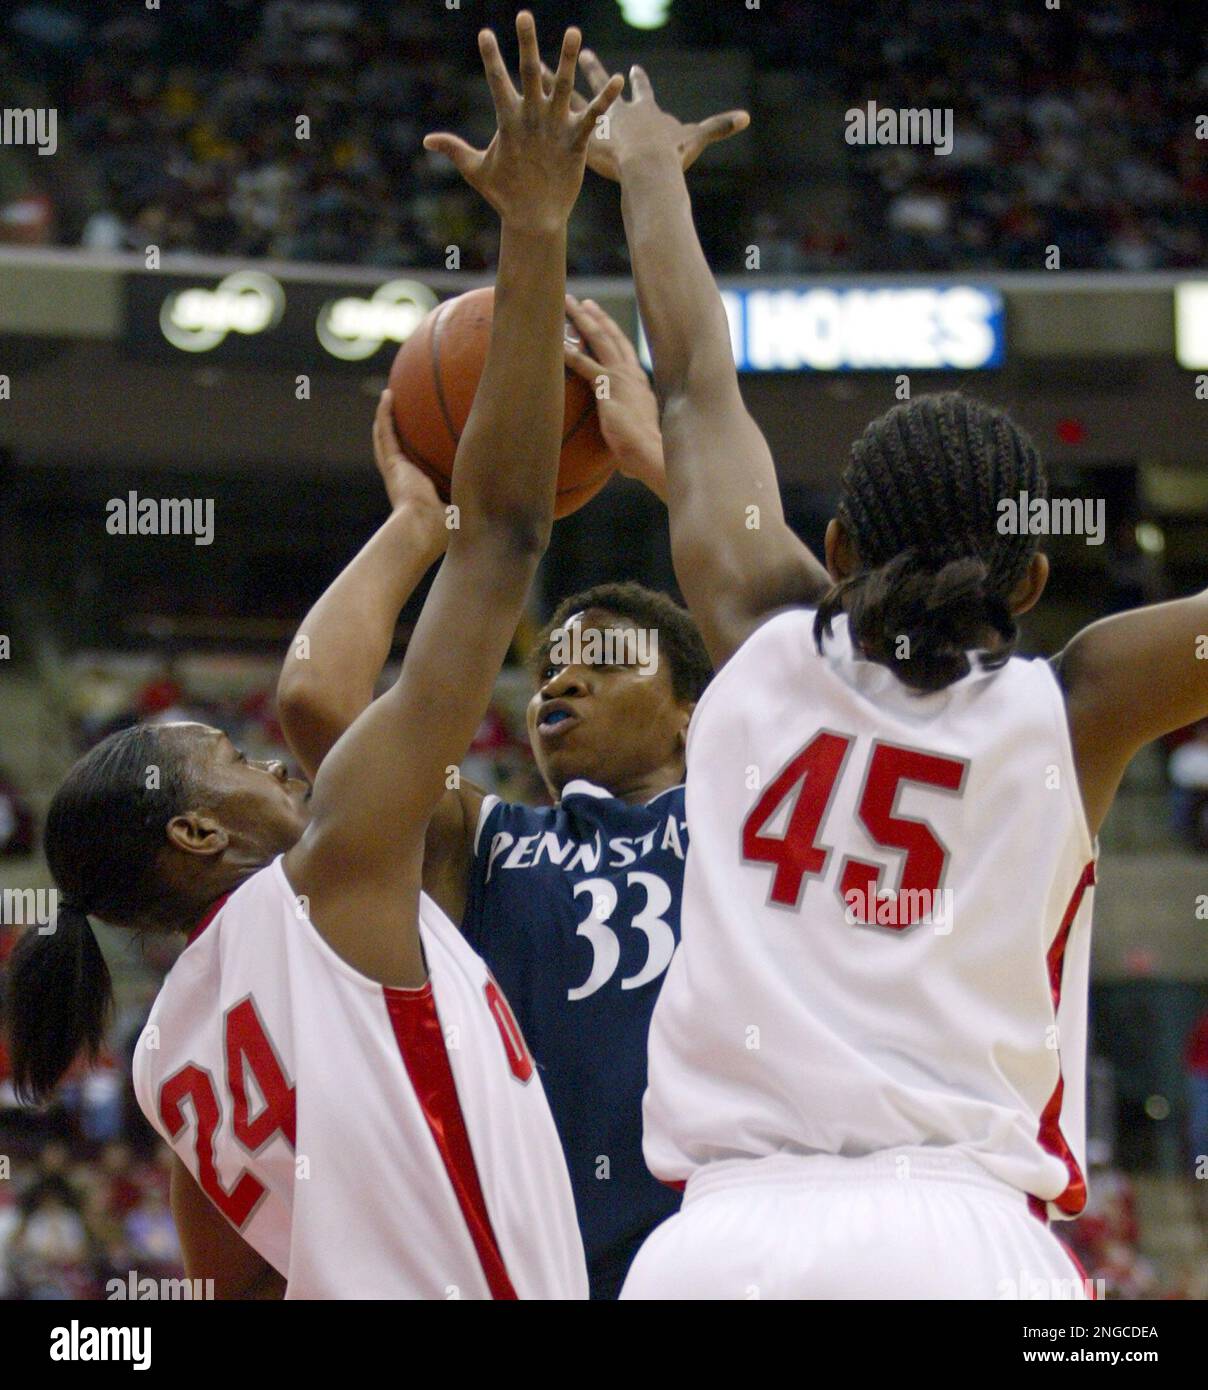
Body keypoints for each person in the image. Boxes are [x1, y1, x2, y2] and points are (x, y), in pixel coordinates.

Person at [563, 51, 1208, 1299]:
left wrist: (647, 172)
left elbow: (696, 381)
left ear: (842, 547)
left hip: (713, 1247)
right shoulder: (1075, 708)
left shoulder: (753, 629)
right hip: (957, 1243)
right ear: (1026, 583)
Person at [3, 13, 621, 1300]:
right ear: (192, 837)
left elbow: (246, 1298)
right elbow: (504, 535)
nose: (276, 767)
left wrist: (408, 522)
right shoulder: (335, 876)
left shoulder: (175, 1057)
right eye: (228, 760)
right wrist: (535, 233)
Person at [277, 301, 716, 1299]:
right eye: (550, 667)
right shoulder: (489, 841)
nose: (558, 681)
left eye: (602, 657)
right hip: (534, 1275)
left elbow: (829, 657)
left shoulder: (750, 806)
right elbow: (317, 701)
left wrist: (659, 463)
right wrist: (413, 530)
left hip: (729, 1260)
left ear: (695, 713)